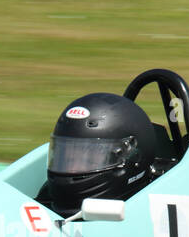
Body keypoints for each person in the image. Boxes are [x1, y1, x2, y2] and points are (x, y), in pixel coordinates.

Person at [38, 92, 178, 215]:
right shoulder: (45, 198)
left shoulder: (159, 203)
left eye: (88, 159)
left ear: (134, 158)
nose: (73, 167)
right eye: (67, 158)